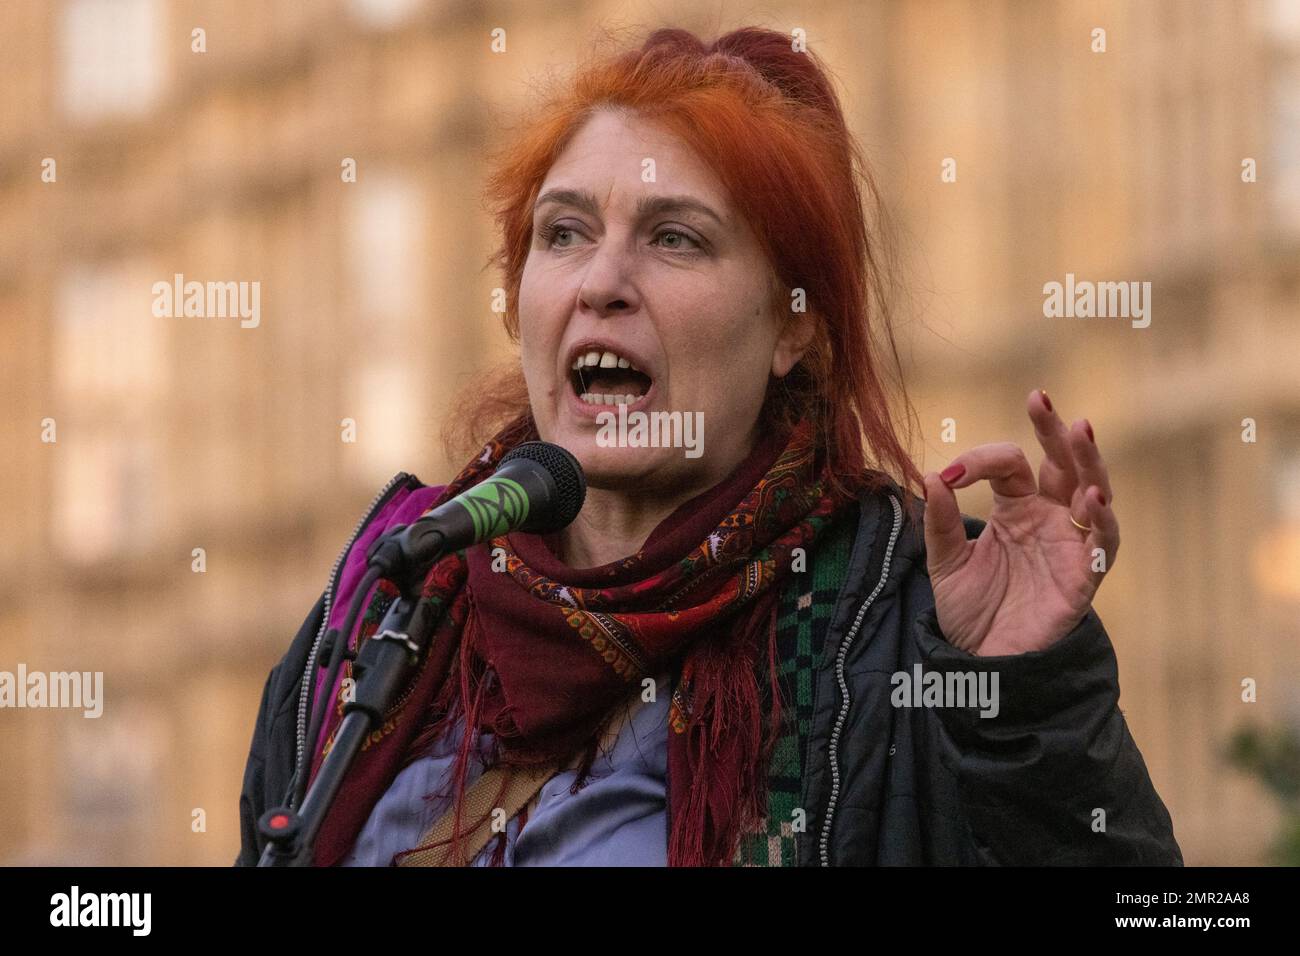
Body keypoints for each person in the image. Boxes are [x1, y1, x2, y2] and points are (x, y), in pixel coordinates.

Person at [236, 25, 1182, 867]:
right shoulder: (388, 594)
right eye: (563, 233)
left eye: (675, 240)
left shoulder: (911, 629)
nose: (600, 281)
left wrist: (1030, 702)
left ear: (791, 325)